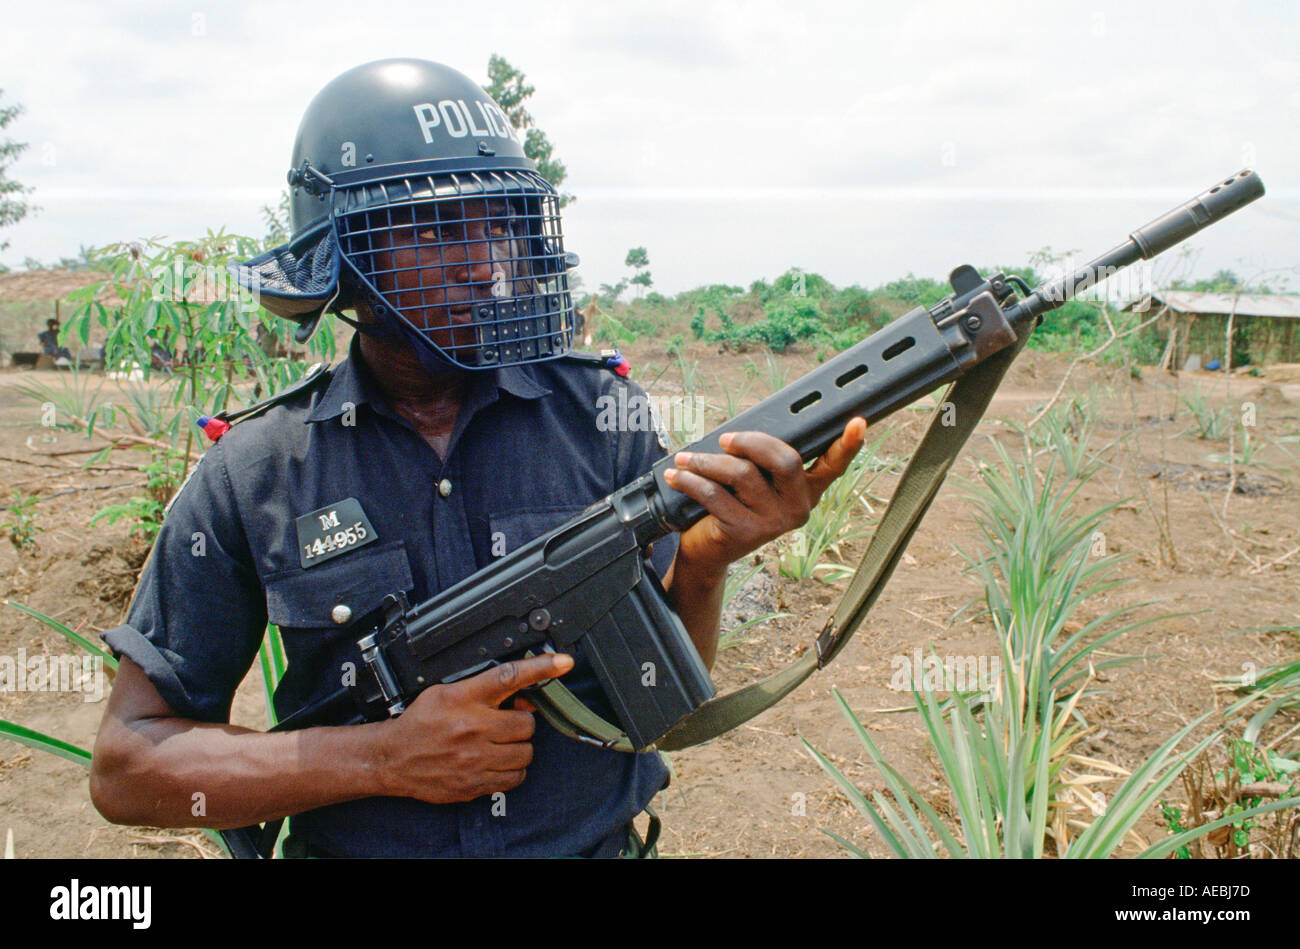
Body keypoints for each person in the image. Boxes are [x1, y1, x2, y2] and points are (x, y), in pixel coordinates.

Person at [88, 58, 866, 858]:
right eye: (436, 229)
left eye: (498, 224)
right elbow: (128, 767)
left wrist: (704, 564)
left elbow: (658, 704)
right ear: (344, 259)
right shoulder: (259, 470)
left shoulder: (599, 417)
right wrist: (379, 758)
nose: (484, 262)